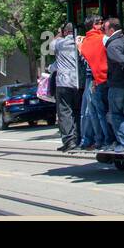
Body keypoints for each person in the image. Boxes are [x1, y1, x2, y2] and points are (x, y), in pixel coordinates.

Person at [78, 15, 115, 151]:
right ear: (94, 26)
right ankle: (109, 139)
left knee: (95, 112)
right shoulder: (103, 38)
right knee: (108, 111)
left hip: (93, 79)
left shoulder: (84, 42)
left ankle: (99, 140)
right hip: (104, 78)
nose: (102, 24)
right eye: (100, 23)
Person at [103, 18, 124, 152]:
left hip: (117, 84)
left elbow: (121, 59)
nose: (104, 32)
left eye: (105, 29)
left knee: (115, 114)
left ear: (111, 30)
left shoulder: (112, 45)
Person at [51, 22, 81, 152]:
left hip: (63, 83)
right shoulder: (80, 43)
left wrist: (59, 32)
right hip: (78, 82)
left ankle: (69, 141)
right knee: (77, 111)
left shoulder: (59, 43)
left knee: (64, 112)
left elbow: (51, 43)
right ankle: (79, 137)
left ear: (64, 32)